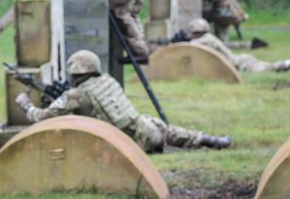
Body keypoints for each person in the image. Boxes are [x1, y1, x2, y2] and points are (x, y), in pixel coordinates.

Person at [14, 50, 232, 153]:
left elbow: (42, 117)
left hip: (124, 145)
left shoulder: (76, 96)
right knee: (170, 131)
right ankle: (210, 140)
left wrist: (26, 104)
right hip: (147, 131)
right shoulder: (107, 80)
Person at [187, 18, 290, 73]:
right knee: (269, 66)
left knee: (269, 68)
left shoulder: (205, 40)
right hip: (241, 59)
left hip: (240, 64)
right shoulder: (209, 38)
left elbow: (190, 46)